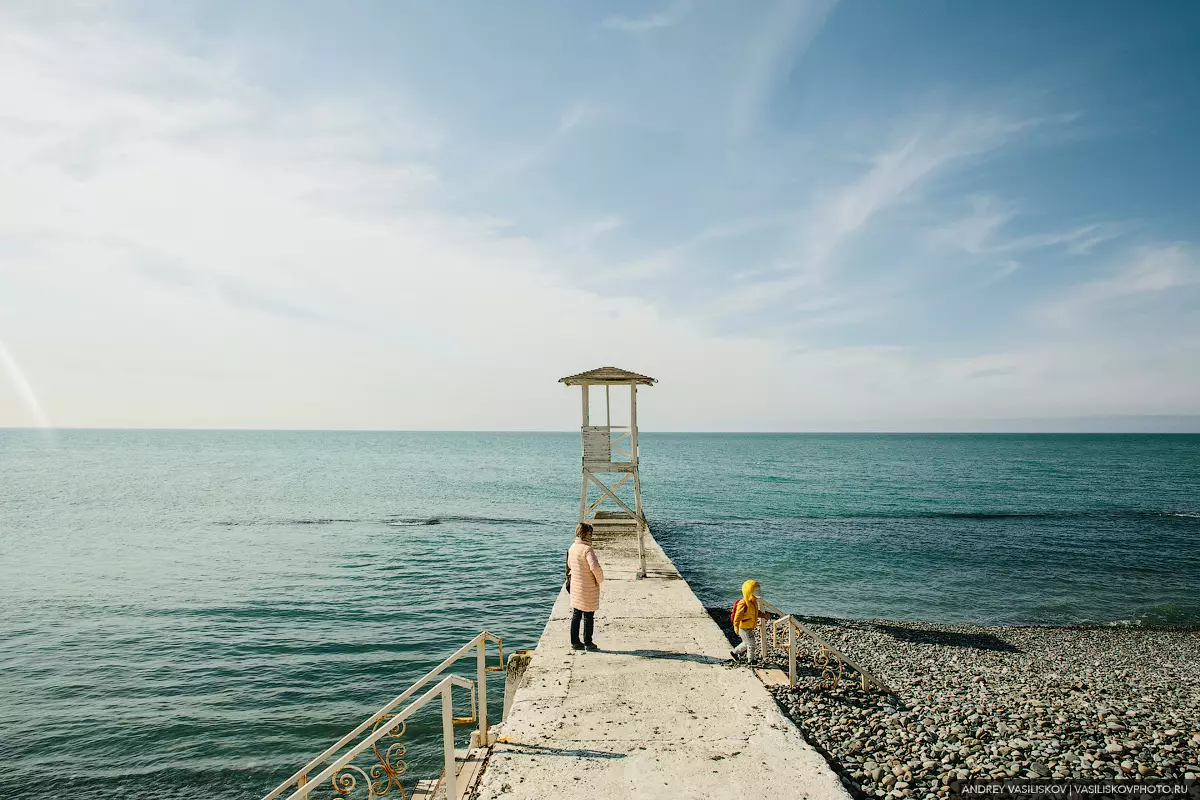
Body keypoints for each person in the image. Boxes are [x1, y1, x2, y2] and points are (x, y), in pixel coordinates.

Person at [566, 522, 604, 651]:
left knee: (576, 614)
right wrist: (600, 579)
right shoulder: (587, 550)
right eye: (590, 533)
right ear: (586, 534)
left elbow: (570, 565)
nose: (592, 536)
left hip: (576, 586)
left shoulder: (572, 547)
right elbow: (594, 567)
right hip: (588, 587)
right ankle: (588, 642)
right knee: (588, 616)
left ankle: (575, 642)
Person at [730, 579, 771, 662]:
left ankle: (734, 652)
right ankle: (750, 660)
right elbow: (737, 616)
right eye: (755, 595)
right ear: (749, 593)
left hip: (749, 627)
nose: (756, 598)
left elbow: (755, 613)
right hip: (743, 628)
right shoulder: (743, 603)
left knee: (746, 643)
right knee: (751, 644)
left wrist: (763, 615)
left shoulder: (753, 602)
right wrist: (736, 626)